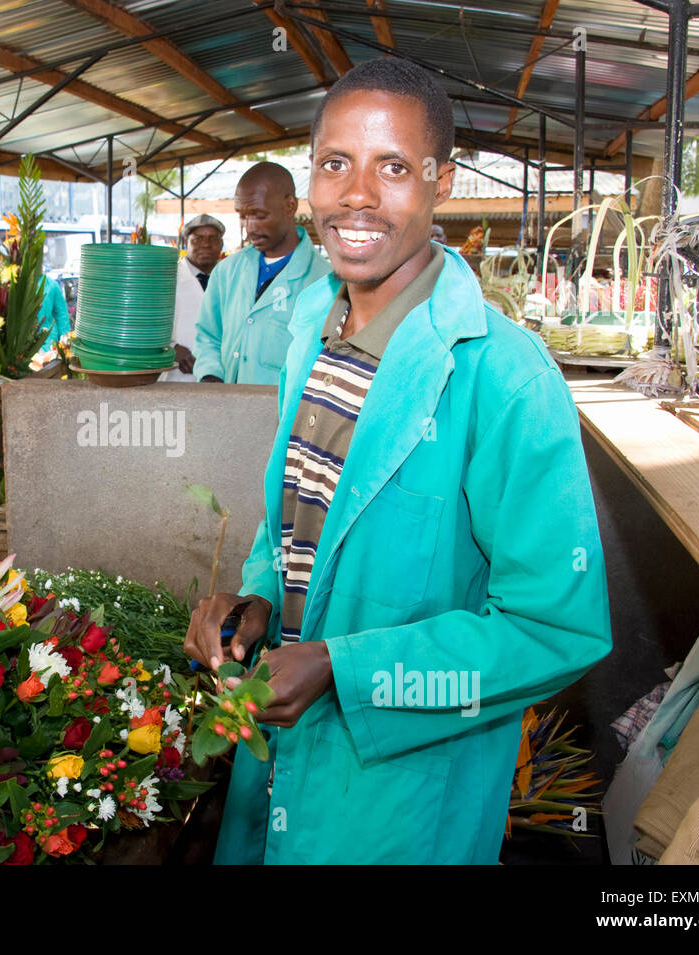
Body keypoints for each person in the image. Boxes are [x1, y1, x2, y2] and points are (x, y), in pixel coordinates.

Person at [185, 57, 611, 864]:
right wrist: (256, 603)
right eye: (335, 163)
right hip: (275, 765)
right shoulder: (311, 329)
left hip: (403, 807)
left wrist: (349, 671)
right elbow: (297, 529)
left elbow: (555, 627)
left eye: (393, 167)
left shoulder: (503, 378)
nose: (356, 194)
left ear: (441, 180)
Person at [192, 162, 331, 385]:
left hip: (283, 417)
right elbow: (208, 335)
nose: (250, 227)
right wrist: (211, 376)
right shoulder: (227, 271)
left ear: (290, 206)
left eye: (259, 215)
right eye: (243, 216)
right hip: (228, 409)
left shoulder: (325, 283)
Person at [164, 214, 225, 382]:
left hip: (220, 376)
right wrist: (172, 349)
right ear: (186, 243)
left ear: (221, 244)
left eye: (213, 239)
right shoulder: (167, 278)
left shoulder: (232, 279)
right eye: (197, 239)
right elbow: (146, 324)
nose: (205, 244)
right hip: (177, 376)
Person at [37, 273, 70, 349]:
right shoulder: (17, 281)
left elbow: (61, 315)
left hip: (47, 344)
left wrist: (65, 341)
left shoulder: (52, 285)